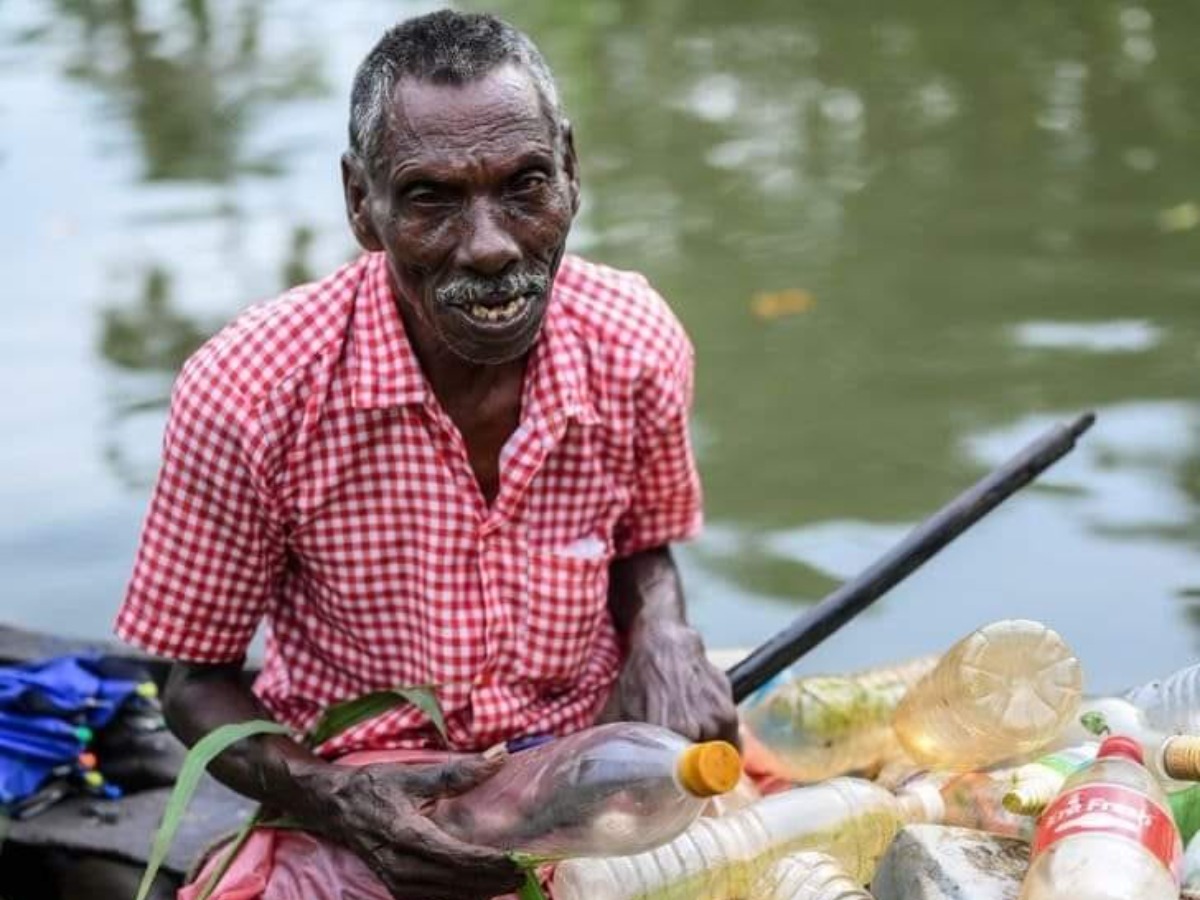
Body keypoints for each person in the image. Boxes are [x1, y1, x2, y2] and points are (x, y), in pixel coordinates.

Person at [114, 10, 738, 900]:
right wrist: (336, 800)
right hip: (371, 805)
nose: (489, 245)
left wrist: (665, 634)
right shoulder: (250, 393)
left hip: (597, 776)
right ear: (360, 205)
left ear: (571, 170)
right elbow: (192, 682)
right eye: (431, 198)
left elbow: (642, 543)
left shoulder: (635, 341)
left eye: (524, 185)